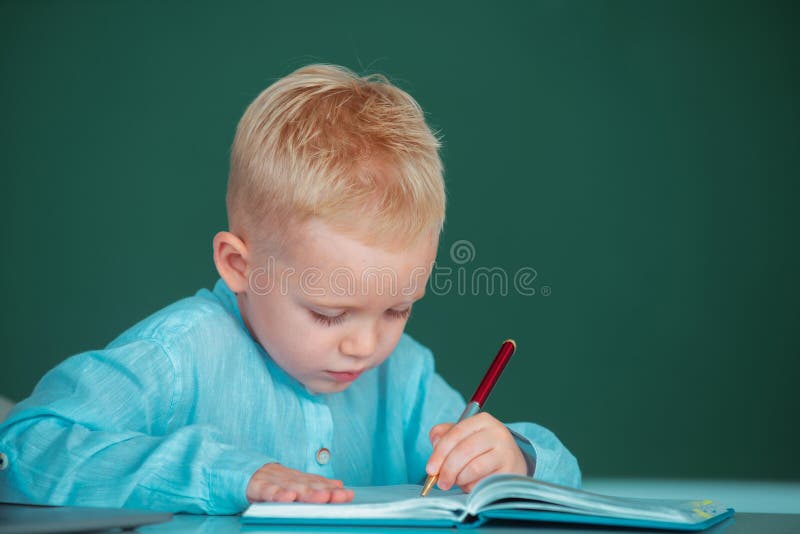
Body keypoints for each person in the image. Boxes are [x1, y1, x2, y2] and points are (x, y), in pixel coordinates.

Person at [0, 64, 580, 514]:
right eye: (329, 314)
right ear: (237, 265)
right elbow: (25, 449)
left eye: (398, 309)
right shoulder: (180, 356)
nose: (367, 345)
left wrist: (516, 461)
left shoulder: (401, 377)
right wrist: (227, 474)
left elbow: (564, 476)